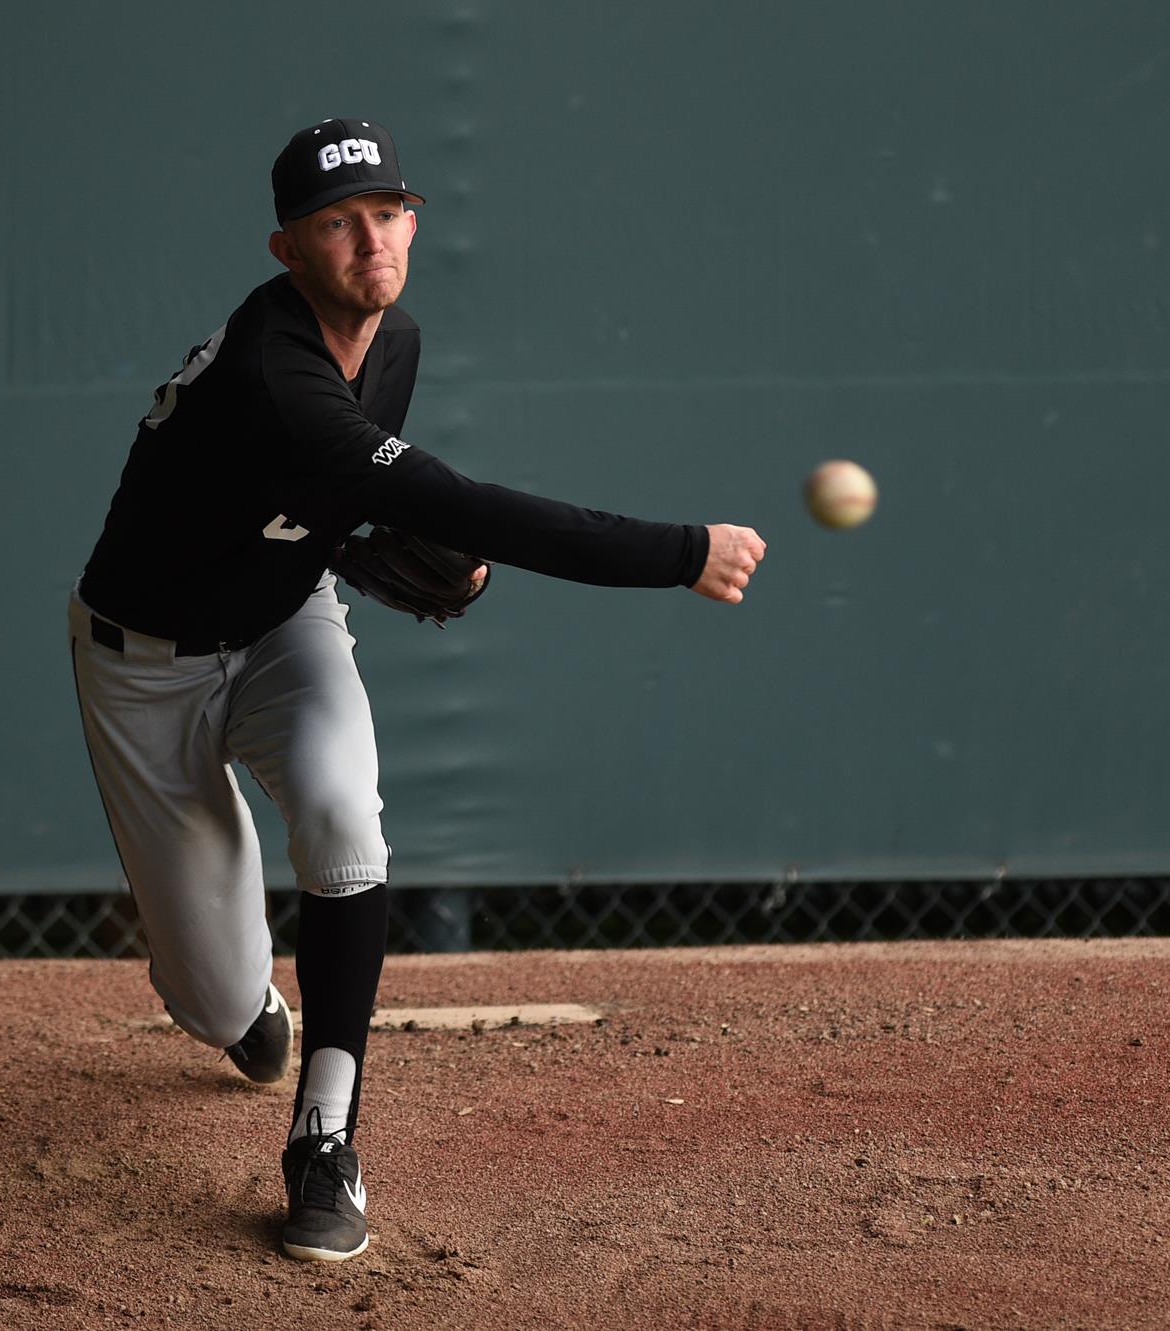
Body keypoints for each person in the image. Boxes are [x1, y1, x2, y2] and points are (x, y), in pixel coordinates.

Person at [68, 117, 765, 1263]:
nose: (370, 239)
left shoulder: (392, 344)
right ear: (287, 247)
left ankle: (323, 1139)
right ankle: (245, 1007)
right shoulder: (273, 371)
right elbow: (464, 506)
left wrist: (353, 547)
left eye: (387, 212)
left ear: (413, 224)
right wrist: (678, 551)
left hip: (282, 625)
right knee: (213, 1001)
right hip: (144, 663)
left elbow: (304, 506)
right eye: (336, 221)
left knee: (346, 818)